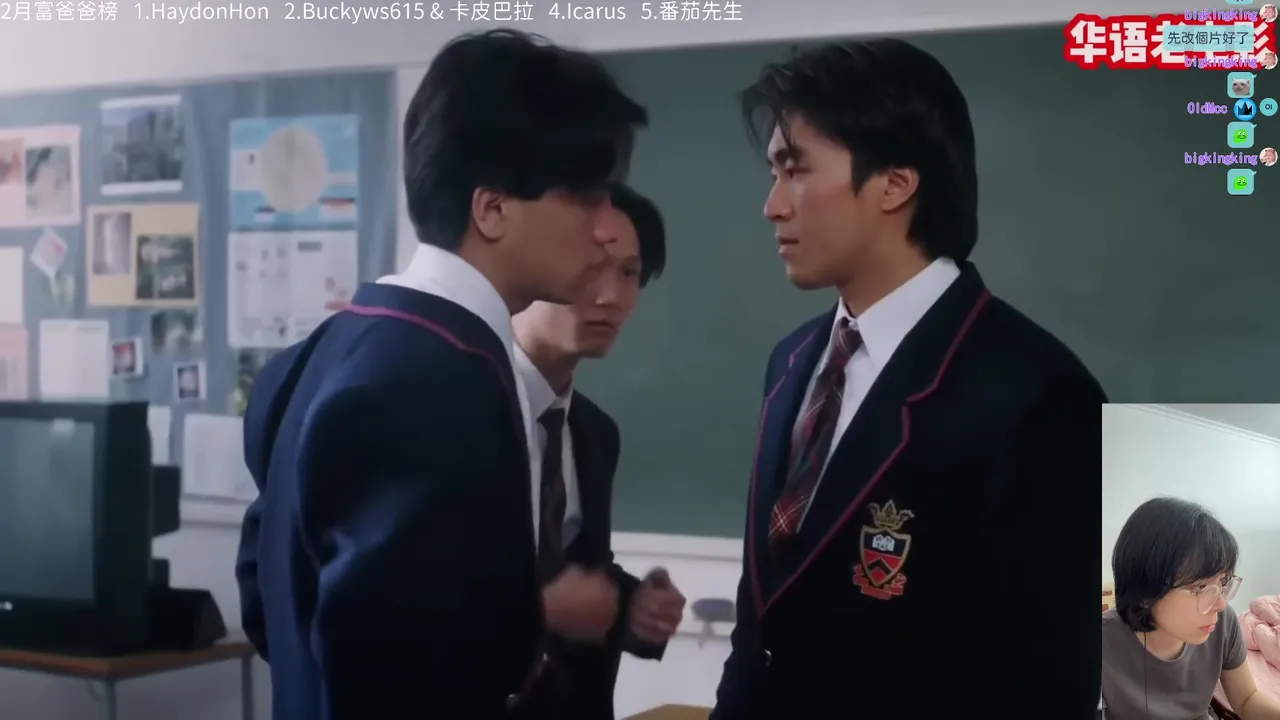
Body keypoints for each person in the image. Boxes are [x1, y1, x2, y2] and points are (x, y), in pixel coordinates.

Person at [234, 29, 647, 719]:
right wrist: (532, 622)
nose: (607, 229)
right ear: (493, 210)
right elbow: (396, 666)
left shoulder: (323, 352)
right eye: (585, 196)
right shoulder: (433, 381)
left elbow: (269, 605)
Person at [710, 38, 1107, 719]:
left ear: (895, 183)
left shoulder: (1037, 393)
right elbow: (763, 618)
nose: (772, 205)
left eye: (795, 170)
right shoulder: (793, 361)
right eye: (774, 172)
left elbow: (1047, 684)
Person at [512, 185, 685, 717]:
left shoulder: (593, 432)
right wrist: (536, 612)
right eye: (591, 266)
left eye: (629, 273)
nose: (611, 296)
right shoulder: (455, 409)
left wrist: (633, 607)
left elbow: (573, 570)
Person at [1104, 497, 1280, 720]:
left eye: (1223, 582)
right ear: (1146, 591)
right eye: (1201, 587)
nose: (1220, 604)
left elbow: (1247, 700)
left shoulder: (1224, 623)